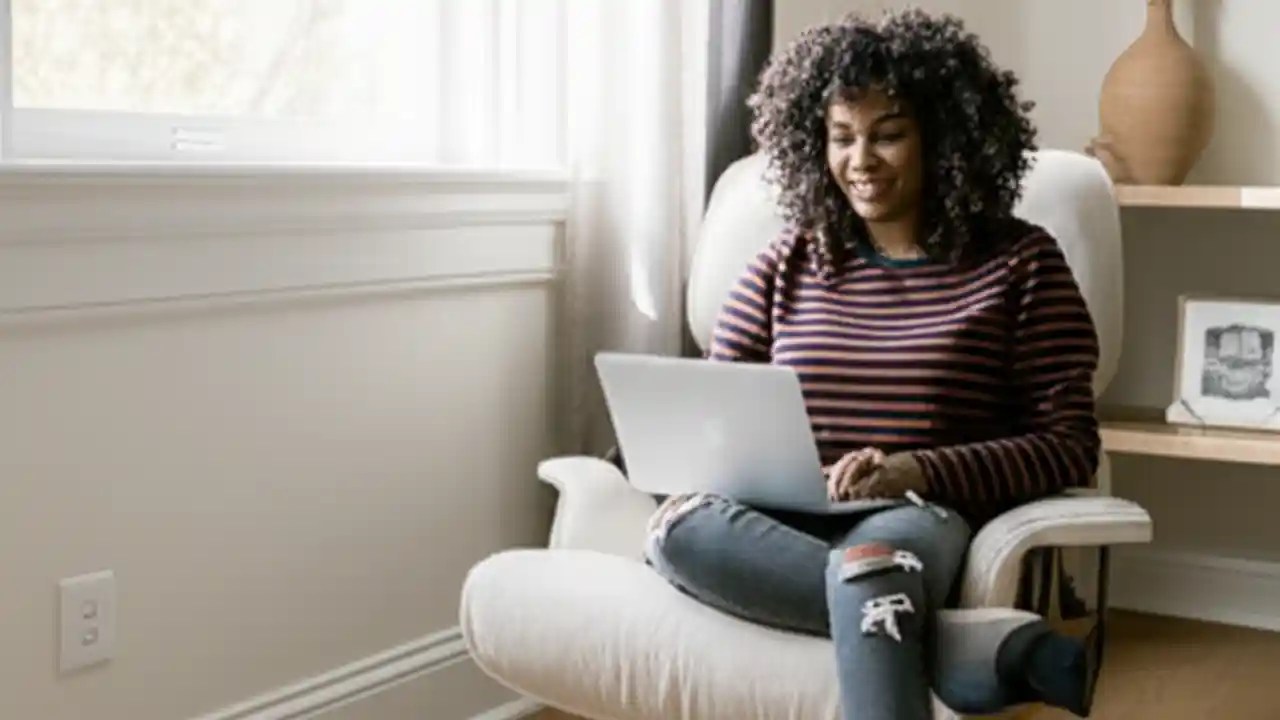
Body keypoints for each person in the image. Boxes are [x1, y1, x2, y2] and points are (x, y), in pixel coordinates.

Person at [643, 10, 1101, 720]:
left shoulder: (1021, 263)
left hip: (914, 513)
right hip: (777, 514)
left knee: (873, 570)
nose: (861, 160)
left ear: (943, 139)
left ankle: (936, 626)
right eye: (841, 137)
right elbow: (715, 410)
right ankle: (989, 650)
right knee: (678, 531)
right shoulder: (782, 264)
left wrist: (915, 470)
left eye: (889, 135)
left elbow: (1069, 446)